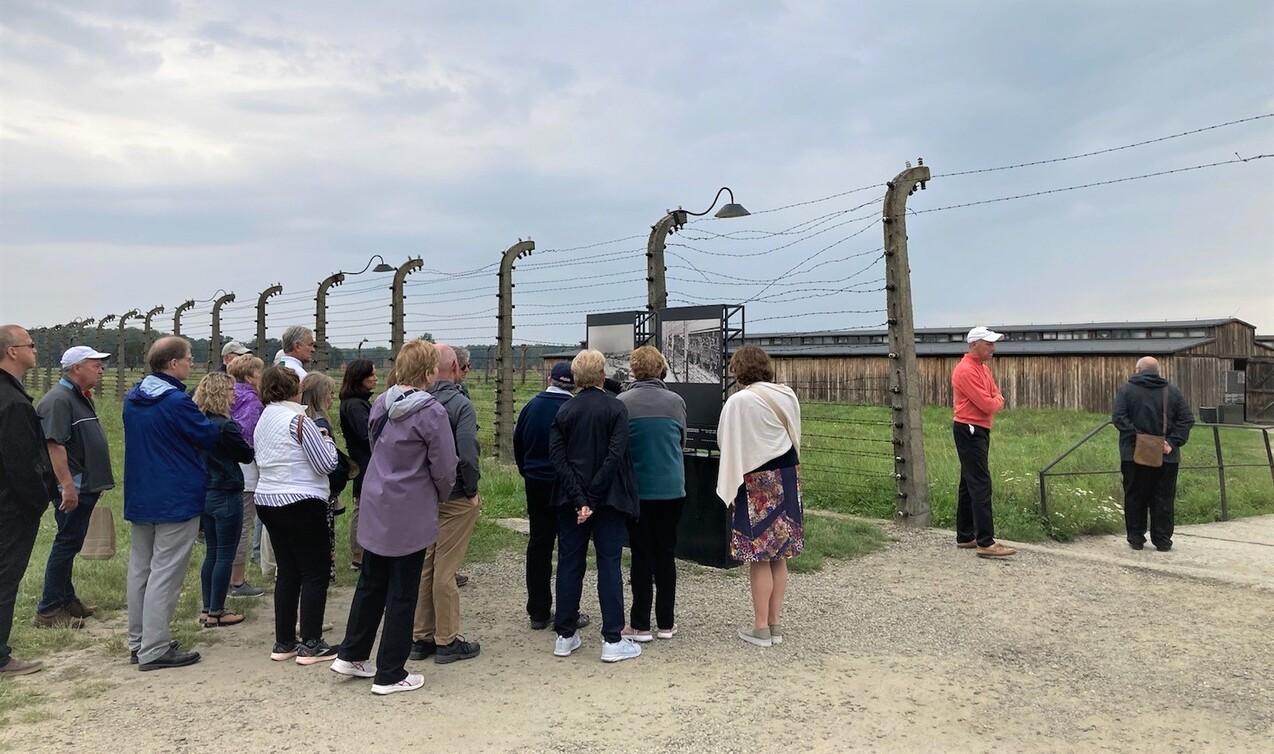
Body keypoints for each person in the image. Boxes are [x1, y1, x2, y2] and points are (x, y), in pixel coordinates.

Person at [333, 340, 458, 695]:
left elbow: (375, 444)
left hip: (377, 497)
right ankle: (390, 672)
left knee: (372, 580)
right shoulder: (431, 412)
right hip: (411, 505)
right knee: (404, 590)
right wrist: (440, 494)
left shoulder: (381, 404)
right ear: (429, 371)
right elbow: (445, 466)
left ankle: (352, 653)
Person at [123, 336, 220, 670]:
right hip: (175, 495)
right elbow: (207, 435)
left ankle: (139, 641)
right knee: (166, 573)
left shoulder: (133, 398)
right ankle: (155, 648)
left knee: (141, 569)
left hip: (142, 493)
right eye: (189, 358)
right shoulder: (176, 401)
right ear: (173, 362)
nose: (191, 364)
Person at [548, 349, 642, 663]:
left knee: (570, 562)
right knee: (608, 565)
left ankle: (564, 634)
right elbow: (615, 456)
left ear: (575, 378)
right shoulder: (616, 409)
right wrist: (594, 496)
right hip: (610, 499)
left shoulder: (564, 411)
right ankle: (612, 639)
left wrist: (580, 499)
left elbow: (558, 460)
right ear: (602, 376)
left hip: (570, 501)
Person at [716, 346, 804, 648]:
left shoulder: (739, 401)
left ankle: (760, 627)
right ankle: (775, 623)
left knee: (758, 556)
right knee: (779, 554)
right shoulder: (787, 395)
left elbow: (725, 439)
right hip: (788, 475)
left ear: (739, 371)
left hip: (757, 481)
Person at [253, 365, 340, 665]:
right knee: (314, 571)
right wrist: (326, 438)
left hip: (267, 498)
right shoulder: (299, 420)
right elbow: (326, 464)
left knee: (288, 571)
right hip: (301, 498)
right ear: (295, 389)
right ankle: (313, 642)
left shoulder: (264, 418)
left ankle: (284, 641)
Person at [409, 344, 482, 664]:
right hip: (454, 496)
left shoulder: (415, 401)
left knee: (425, 564)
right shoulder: (459, 404)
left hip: (422, 495)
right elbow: (466, 453)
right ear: (454, 367)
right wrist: (471, 488)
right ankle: (447, 638)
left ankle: (420, 636)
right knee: (446, 568)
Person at [33, 345, 114, 629]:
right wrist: (68, 486)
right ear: (77, 368)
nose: (101, 369)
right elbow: (54, 445)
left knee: (72, 542)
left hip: (85, 485)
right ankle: (49, 609)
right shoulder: (59, 400)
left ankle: (66, 600)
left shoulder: (76, 396)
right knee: (66, 544)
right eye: (95, 364)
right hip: (74, 488)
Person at [617, 346, 687, 643]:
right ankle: (667, 623)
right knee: (666, 554)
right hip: (672, 489)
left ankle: (640, 624)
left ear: (633, 371)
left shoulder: (622, 402)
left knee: (641, 554)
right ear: (661, 369)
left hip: (638, 491)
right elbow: (681, 439)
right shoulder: (676, 401)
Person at [0, 324, 58, 676]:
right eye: (30, 345)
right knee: (5, 578)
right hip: (11, 506)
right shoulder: (13, 402)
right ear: (12, 352)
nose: (35, 350)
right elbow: (21, 464)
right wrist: (39, 499)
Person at [513, 362, 589, 631]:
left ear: (549, 379)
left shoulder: (531, 407)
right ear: (575, 384)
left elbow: (518, 444)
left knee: (539, 544)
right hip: (564, 485)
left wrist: (528, 472)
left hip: (535, 481)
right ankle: (568, 611)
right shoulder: (572, 409)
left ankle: (538, 610)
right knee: (569, 548)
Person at [1112, 356, 1195, 551]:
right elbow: (1187, 419)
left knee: (1135, 496)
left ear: (1137, 369)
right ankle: (1162, 540)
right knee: (1163, 498)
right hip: (1166, 456)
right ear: (1157, 371)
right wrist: (1172, 442)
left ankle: (1136, 538)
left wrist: (1138, 437)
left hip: (1133, 454)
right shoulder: (1172, 391)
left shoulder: (1126, 390)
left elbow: (1118, 417)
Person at [193, 373, 255, 627]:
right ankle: (218, 610)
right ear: (221, 394)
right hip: (227, 491)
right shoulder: (225, 426)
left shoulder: (198, 421)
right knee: (225, 554)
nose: (234, 395)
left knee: (212, 552)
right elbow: (246, 454)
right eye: (230, 390)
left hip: (205, 491)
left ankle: (207, 607)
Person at [951, 326, 1015, 558]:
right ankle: (985, 541)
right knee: (980, 482)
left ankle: (966, 534)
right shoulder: (966, 370)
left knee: (968, 482)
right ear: (974, 344)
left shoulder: (982, 369)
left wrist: (994, 399)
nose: (993, 347)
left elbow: (994, 395)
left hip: (977, 428)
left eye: (993, 343)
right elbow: (989, 403)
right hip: (969, 428)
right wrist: (995, 400)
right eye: (988, 343)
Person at [227, 354, 267, 597]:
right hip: (247, 471)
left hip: (228, 469)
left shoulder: (230, 396)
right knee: (243, 526)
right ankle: (237, 581)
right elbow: (250, 438)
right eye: (260, 372)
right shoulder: (253, 402)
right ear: (250, 377)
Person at [300, 372, 341, 582]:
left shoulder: (301, 418)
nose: (333, 397)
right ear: (320, 395)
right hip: (320, 487)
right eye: (330, 393)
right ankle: (324, 571)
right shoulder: (319, 421)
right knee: (323, 533)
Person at [338, 359, 377, 571]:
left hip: (367, 461)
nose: (375, 378)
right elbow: (366, 434)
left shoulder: (358, 402)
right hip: (365, 462)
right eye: (370, 374)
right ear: (359, 377)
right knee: (363, 508)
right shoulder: (354, 405)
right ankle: (359, 556)